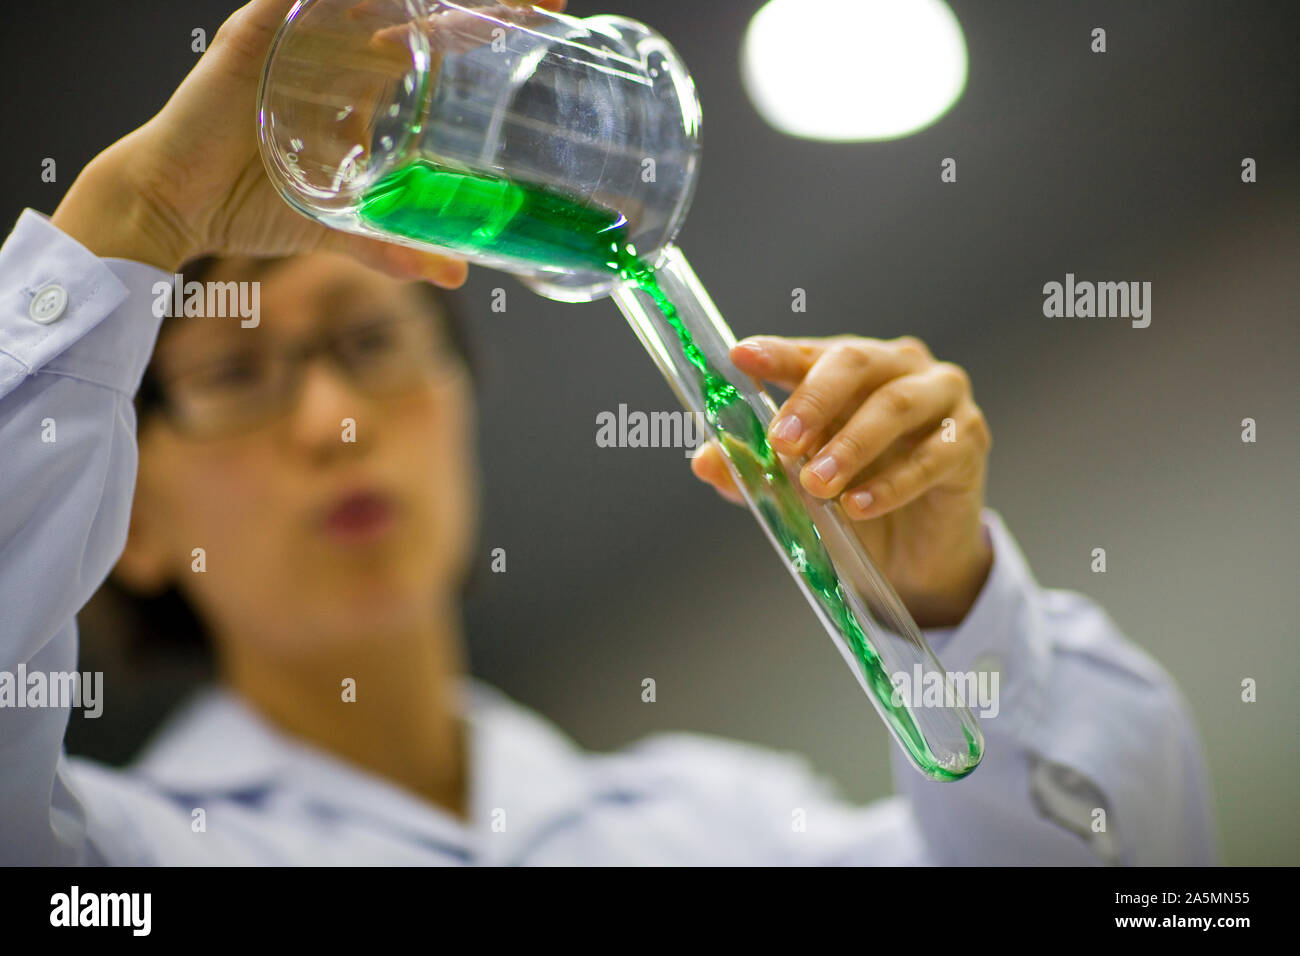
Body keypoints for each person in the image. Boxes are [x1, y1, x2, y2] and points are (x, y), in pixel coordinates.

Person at [0, 0, 1216, 865]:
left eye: (370, 344)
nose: (334, 418)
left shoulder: (726, 824)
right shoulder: (111, 860)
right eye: (237, 372)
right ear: (131, 506)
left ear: (460, 398)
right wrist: (140, 214)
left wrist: (951, 604)